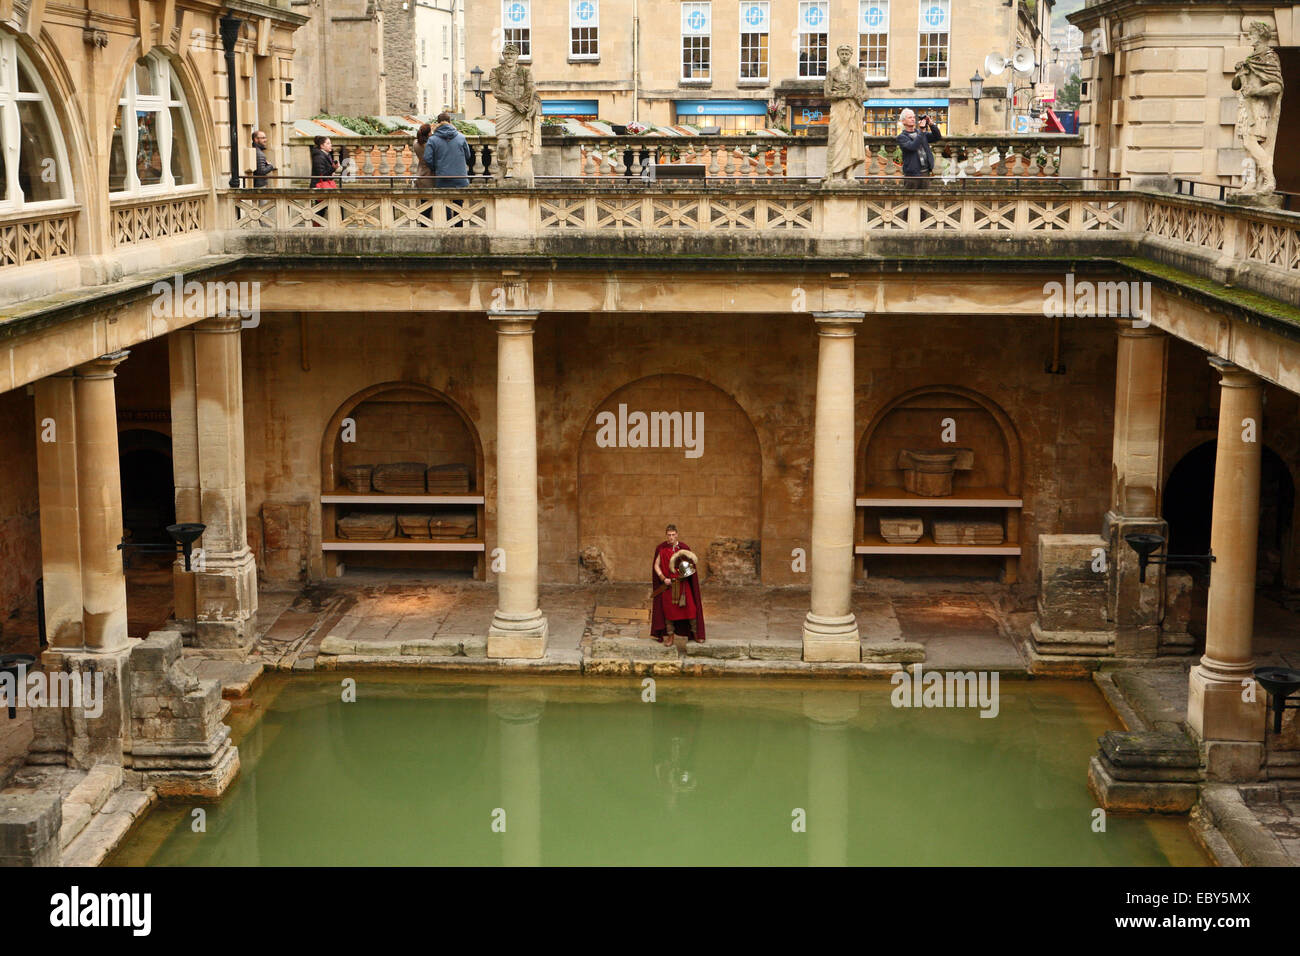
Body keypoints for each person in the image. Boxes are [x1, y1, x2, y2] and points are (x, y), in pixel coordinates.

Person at [489, 43, 541, 182]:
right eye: (507, 54)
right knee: (502, 145)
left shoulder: (525, 72)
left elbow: (530, 90)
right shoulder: (496, 72)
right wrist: (516, 103)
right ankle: (502, 168)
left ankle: (517, 173)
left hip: (520, 111)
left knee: (518, 144)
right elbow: (497, 92)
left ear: (517, 56)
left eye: (512, 54)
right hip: (504, 110)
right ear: (503, 56)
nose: (509, 57)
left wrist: (523, 105)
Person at [650, 524, 706, 646]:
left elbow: (691, 567)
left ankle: (695, 633)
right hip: (668, 586)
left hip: (683, 586)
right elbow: (656, 565)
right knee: (669, 612)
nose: (671, 537)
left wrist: (684, 574)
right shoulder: (662, 548)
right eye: (669, 535)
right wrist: (663, 578)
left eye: (673, 535)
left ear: (677, 534)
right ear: (666, 535)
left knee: (691, 609)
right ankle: (670, 636)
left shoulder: (683, 548)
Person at [823, 44, 868, 181]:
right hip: (838, 110)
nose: (844, 56)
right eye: (842, 53)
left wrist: (855, 95)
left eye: (847, 53)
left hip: (853, 110)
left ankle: (849, 172)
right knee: (837, 140)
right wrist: (844, 93)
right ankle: (835, 173)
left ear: (851, 55)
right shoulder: (832, 73)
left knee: (852, 141)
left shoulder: (857, 73)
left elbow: (865, 94)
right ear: (838, 55)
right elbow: (827, 93)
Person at [424, 112, 473, 187]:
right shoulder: (461, 137)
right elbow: (468, 155)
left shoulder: (432, 140)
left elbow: (428, 159)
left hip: (442, 177)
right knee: (459, 198)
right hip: (460, 177)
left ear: (438, 123)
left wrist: (437, 168)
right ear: (450, 122)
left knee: (442, 198)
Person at [897, 108, 942, 189]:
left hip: (925, 173)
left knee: (925, 200)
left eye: (913, 117)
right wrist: (922, 131)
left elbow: (937, 137)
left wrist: (931, 124)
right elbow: (913, 146)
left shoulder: (920, 133)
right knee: (910, 200)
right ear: (903, 121)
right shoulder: (902, 137)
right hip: (912, 176)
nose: (913, 119)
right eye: (909, 117)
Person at [413, 123, 437, 187]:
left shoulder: (415, 143)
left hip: (419, 173)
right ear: (429, 133)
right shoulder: (429, 146)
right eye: (431, 131)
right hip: (428, 176)